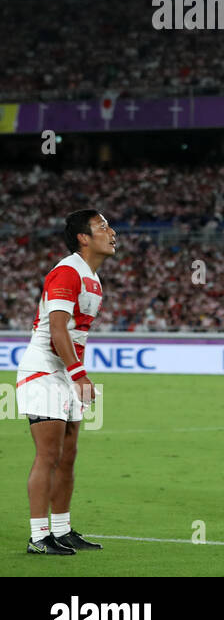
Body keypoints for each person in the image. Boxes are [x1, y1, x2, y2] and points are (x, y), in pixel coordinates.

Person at [17, 210, 116, 555]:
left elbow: (74, 336)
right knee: (48, 455)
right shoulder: (67, 271)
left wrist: (75, 376)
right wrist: (79, 374)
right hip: (43, 370)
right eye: (103, 227)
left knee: (68, 455)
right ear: (83, 238)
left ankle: (61, 529)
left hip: (64, 372)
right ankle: (38, 536)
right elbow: (57, 329)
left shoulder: (92, 278)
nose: (112, 232)